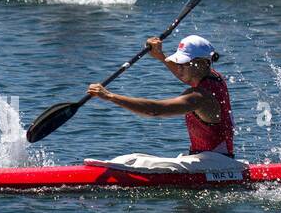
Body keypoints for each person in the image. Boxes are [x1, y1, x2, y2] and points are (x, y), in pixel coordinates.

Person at [86, 34, 244, 173]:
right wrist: (160, 55)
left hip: (214, 165)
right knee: (132, 159)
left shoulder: (199, 97)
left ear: (202, 64)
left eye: (183, 63)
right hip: (211, 160)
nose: (179, 68)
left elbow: (155, 110)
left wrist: (110, 96)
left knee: (133, 160)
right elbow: (186, 75)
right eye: (178, 62)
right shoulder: (213, 76)